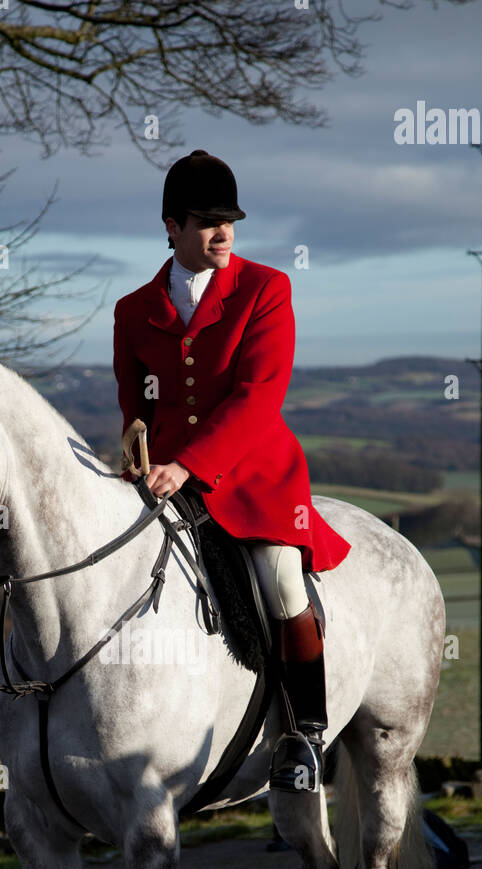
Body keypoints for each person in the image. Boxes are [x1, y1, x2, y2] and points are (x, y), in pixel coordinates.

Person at [112, 150, 351, 792]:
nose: (223, 233)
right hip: (165, 478)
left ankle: (307, 733)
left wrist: (190, 464)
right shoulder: (132, 310)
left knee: (279, 581)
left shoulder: (266, 289)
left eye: (230, 222)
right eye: (207, 221)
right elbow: (137, 406)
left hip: (255, 476)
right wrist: (138, 455)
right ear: (171, 225)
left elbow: (259, 396)